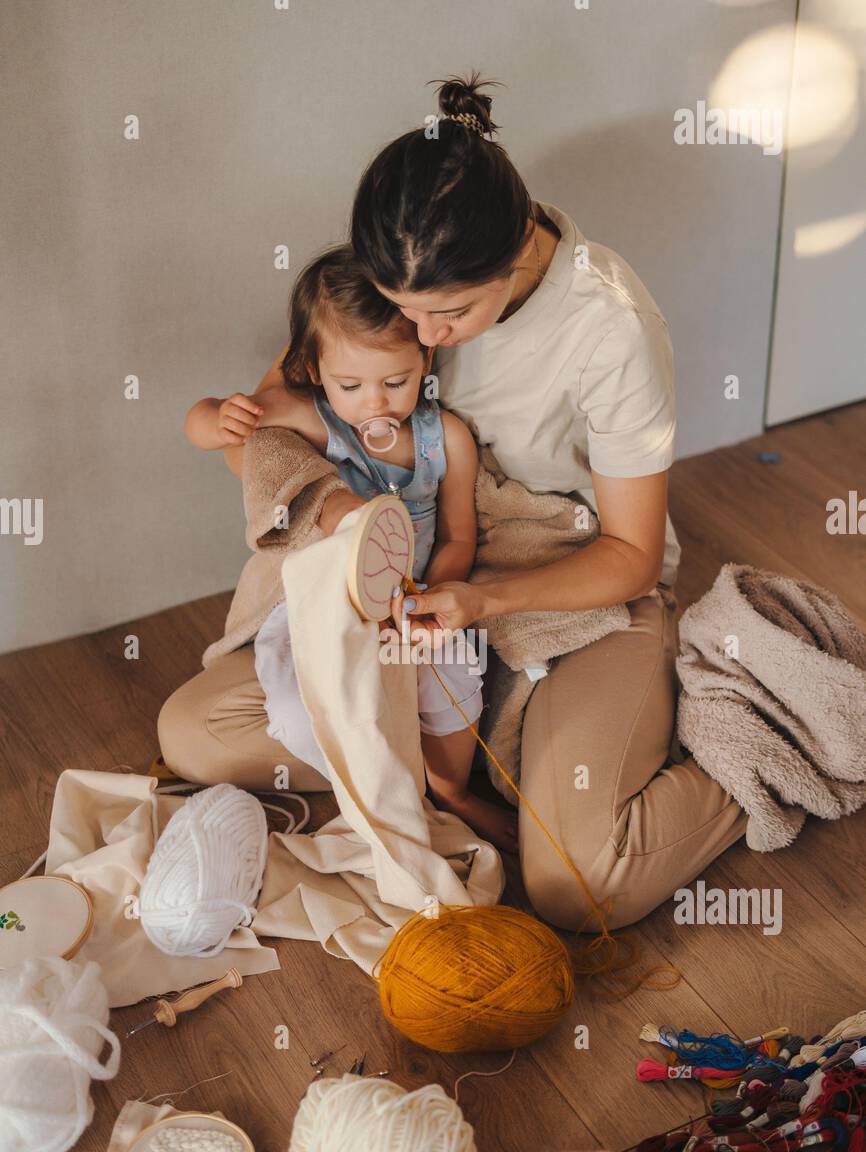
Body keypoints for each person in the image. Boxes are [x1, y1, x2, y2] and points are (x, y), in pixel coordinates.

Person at [160, 73, 747, 932]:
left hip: (566, 578)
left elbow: (627, 553)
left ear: (514, 255)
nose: (423, 345)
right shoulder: (395, 268)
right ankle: (467, 764)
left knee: (574, 887)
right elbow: (271, 438)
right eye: (404, 315)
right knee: (199, 734)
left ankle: (740, 749)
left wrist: (477, 598)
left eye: (450, 317)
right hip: (411, 573)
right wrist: (345, 524)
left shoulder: (609, 327)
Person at [183, 245, 517, 850]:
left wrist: (432, 595)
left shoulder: (445, 439)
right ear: (314, 371)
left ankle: (452, 792)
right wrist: (215, 418)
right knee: (294, 700)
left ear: (427, 356)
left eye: (397, 381)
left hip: (408, 599)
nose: (376, 402)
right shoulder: (315, 420)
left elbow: (459, 535)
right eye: (351, 384)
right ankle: (371, 784)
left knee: (456, 674)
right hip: (318, 602)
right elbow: (209, 425)